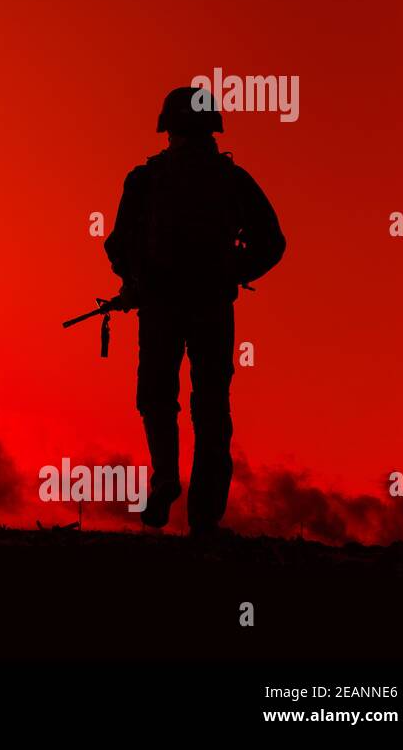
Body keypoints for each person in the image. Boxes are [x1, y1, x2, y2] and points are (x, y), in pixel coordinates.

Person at [104, 86, 285, 535]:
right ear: (212, 128)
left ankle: (165, 475)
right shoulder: (233, 181)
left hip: (161, 305)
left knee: (158, 397)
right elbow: (273, 243)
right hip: (212, 307)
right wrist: (234, 271)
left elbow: (117, 244)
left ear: (169, 128)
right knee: (212, 407)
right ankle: (204, 515)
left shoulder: (144, 179)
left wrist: (134, 283)